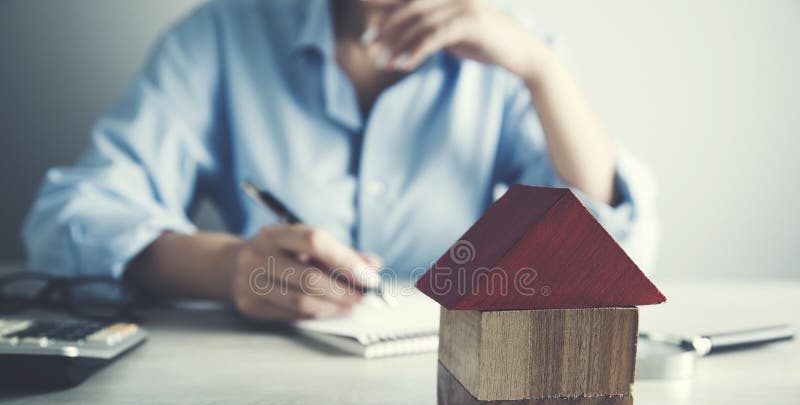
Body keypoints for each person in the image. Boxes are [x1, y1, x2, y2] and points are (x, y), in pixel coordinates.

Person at [23, 0, 658, 322]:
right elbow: (69, 216)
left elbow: (608, 253)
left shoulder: (510, 51)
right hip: (252, 395)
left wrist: (542, 71)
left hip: (447, 391)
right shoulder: (223, 34)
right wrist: (228, 268)